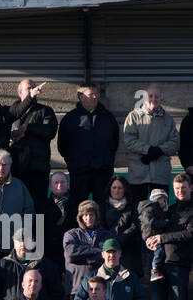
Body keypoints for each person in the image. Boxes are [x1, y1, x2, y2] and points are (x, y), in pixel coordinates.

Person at [144, 173, 193, 300]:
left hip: (179, 264)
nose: (180, 191)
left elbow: (188, 234)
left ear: (190, 188)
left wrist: (161, 238)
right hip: (159, 265)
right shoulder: (169, 209)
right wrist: (151, 240)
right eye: (177, 188)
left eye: (183, 187)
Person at [58, 83, 120, 207]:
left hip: (102, 173)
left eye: (96, 94)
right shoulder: (70, 119)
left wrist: (106, 162)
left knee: (102, 207)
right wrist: (74, 162)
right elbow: (62, 145)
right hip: (79, 173)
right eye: (91, 94)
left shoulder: (108, 118)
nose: (95, 97)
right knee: (77, 206)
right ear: (81, 96)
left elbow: (114, 143)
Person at [7, 79, 57, 215]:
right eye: (29, 88)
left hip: (38, 168)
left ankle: (37, 236)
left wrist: (26, 129)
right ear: (19, 92)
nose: (33, 91)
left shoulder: (45, 111)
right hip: (16, 168)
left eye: (34, 88)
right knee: (16, 206)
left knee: (38, 206)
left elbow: (49, 131)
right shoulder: (11, 112)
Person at [122, 85, 179, 203]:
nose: (154, 99)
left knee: (160, 211)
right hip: (138, 173)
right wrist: (148, 150)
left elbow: (175, 143)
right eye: (150, 96)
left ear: (161, 99)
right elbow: (129, 140)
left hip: (160, 174)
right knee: (137, 210)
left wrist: (159, 150)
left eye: (157, 96)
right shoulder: (133, 116)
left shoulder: (168, 119)